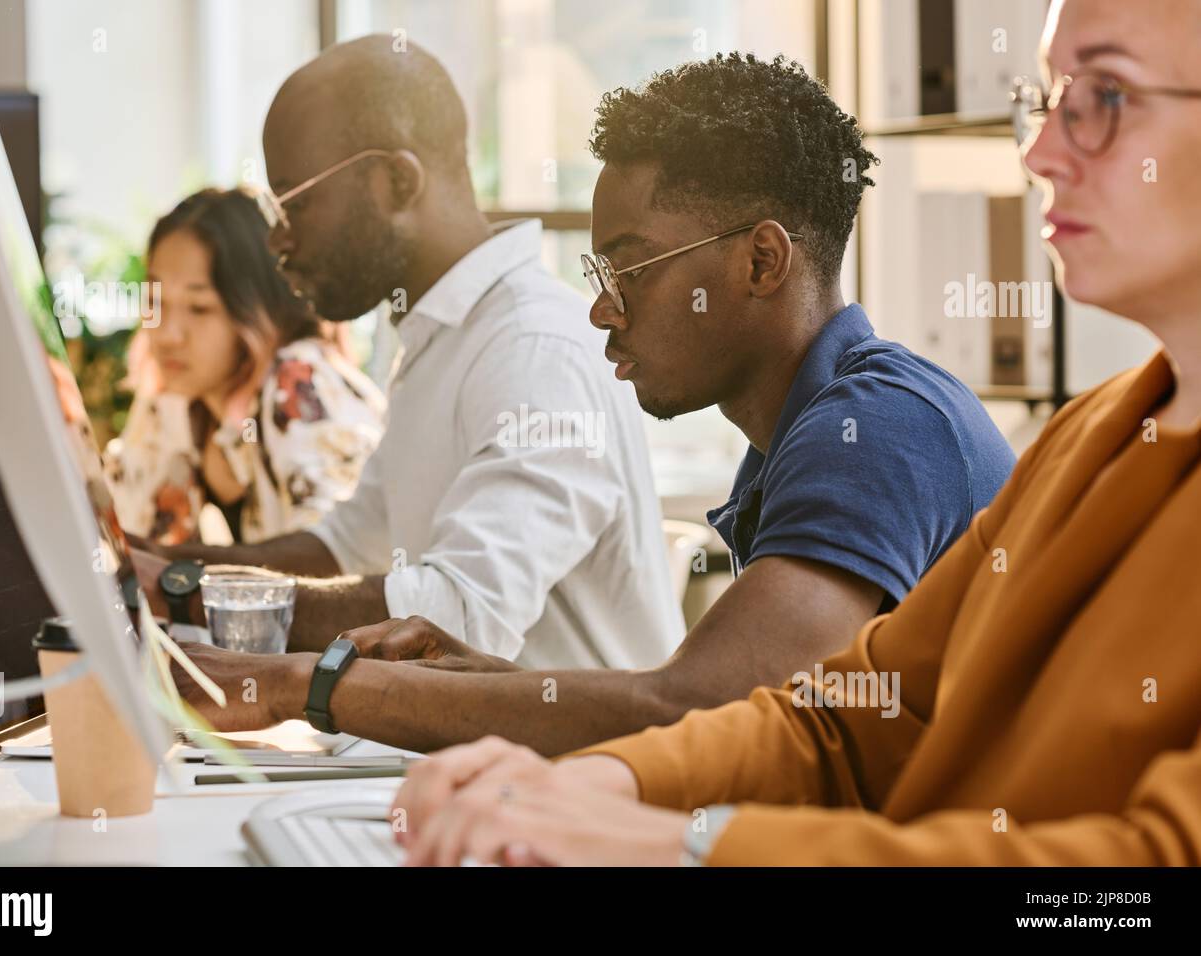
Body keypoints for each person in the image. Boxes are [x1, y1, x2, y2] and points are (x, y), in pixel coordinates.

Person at [383, 0, 1201, 866]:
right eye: (1043, 102)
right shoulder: (1089, 440)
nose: (1038, 153)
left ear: (764, 262)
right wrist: (606, 784)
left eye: (1105, 97)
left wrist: (686, 843)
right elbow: (839, 725)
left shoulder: (881, 423)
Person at [172, 53, 1016, 755]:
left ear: (762, 263)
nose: (602, 310)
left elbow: (703, 711)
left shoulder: (880, 426)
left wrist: (305, 685)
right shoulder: (809, 433)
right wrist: (481, 678)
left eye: (630, 268)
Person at [145, 37, 685, 671]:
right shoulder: (440, 339)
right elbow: (346, 548)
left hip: (579, 765)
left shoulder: (533, 348)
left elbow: (452, 618)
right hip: (481, 759)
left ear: (397, 181)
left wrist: (175, 593)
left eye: (293, 202)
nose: (277, 240)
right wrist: (148, 564)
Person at [106, 187, 384, 546]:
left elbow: (337, 562)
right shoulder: (178, 402)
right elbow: (125, 542)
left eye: (199, 307)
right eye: (157, 302)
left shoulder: (299, 382)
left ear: (255, 311)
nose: (167, 335)